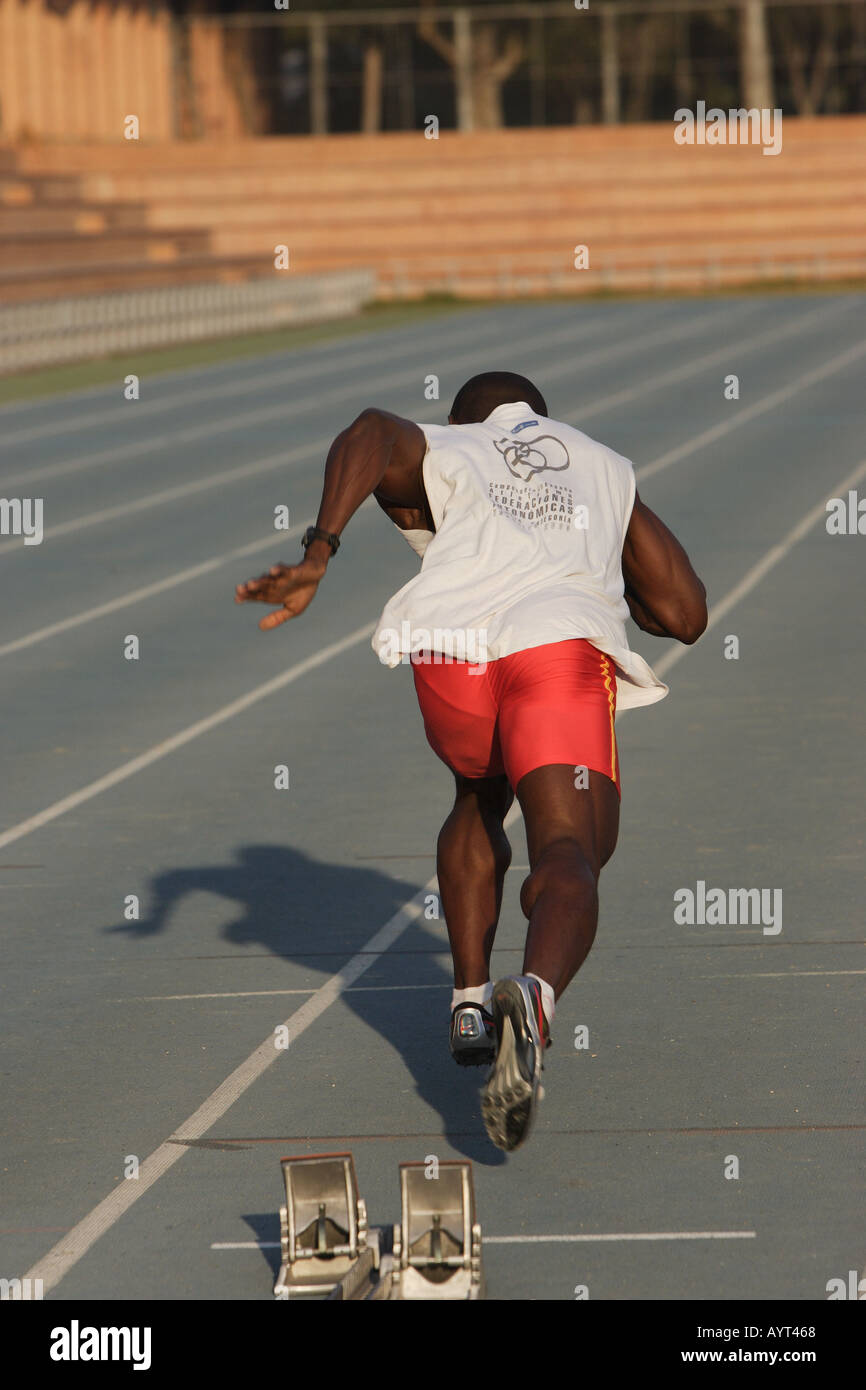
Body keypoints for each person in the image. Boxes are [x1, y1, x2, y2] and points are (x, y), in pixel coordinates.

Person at [235, 371, 707, 1151]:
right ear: (546, 421)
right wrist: (602, 553)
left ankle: (467, 999)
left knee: (477, 793)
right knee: (571, 847)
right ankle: (535, 995)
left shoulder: (449, 445)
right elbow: (685, 613)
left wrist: (319, 552)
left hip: (449, 655)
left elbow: (370, 428)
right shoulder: (599, 464)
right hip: (553, 647)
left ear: (462, 417)